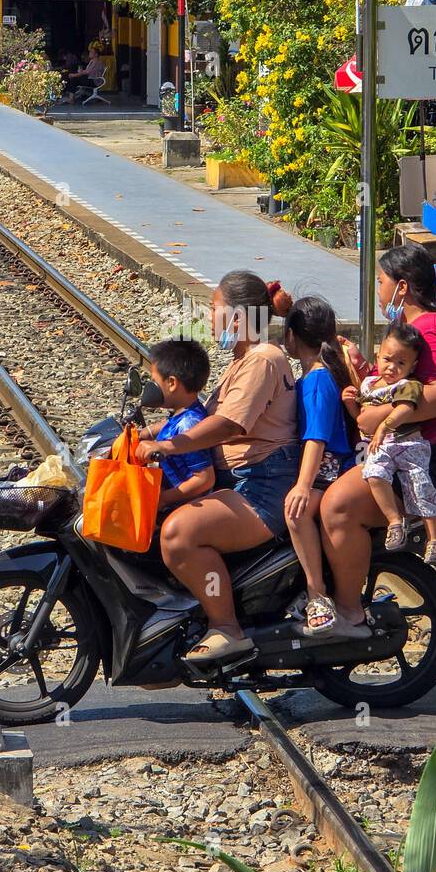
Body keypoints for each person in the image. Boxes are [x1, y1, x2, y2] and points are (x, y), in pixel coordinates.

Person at [134, 270, 299, 663]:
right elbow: (197, 415)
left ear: (238, 318)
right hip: (241, 481)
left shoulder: (263, 360)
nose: (209, 319)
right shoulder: (243, 360)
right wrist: (144, 433)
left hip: (262, 487)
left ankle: (227, 628)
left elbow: (227, 425)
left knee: (178, 534)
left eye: (214, 309)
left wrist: (165, 447)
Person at [320, 245, 436, 633]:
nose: (378, 289)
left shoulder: (431, 327)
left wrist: (384, 419)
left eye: (381, 281)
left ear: (402, 287)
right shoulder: (409, 332)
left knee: (337, 508)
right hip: (407, 449)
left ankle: (348, 614)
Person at [282, 296, 357, 635]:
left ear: (292, 338)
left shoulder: (316, 380)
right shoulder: (323, 374)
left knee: (295, 512)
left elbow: (317, 438)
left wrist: (302, 485)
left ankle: (317, 593)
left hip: (329, 472)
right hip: (329, 467)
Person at [349, 322, 436, 567]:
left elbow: (405, 407)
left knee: (420, 483)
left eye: (401, 364)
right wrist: (349, 403)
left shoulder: (408, 385)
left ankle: (434, 539)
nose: (392, 368)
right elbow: (361, 419)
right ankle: (394, 521)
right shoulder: (369, 385)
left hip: (407, 443)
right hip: (378, 446)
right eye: (387, 359)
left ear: (412, 366)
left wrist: (385, 425)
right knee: (374, 473)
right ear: (378, 354)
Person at [139, 339, 216, 510]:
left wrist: (162, 499)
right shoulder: (186, 412)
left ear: (172, 383)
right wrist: (145, 432)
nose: (150, 385)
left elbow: (204, 479)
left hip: (178, 507)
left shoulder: (189, 425)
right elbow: (170, 422)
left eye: (154, 380)